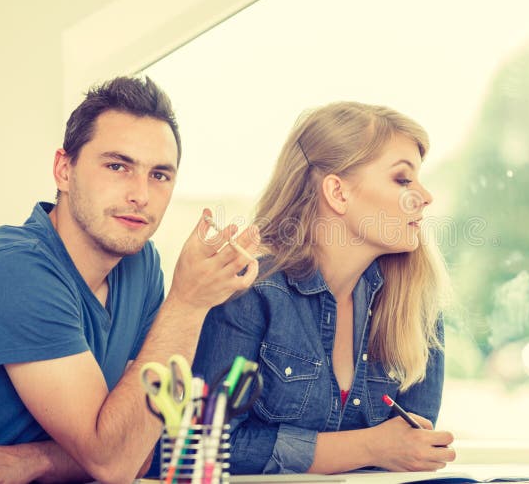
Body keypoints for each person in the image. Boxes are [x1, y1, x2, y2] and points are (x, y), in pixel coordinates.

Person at [0, 76, 259, 484]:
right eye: (117, 166)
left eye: (160, 176)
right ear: (63, 169)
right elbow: (115, 462)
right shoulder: (14, 270)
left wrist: (35, 459)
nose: (141, 195)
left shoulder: (139, 263)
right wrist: (187, 303)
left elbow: (141, 449)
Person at [193, 101, 456, 474]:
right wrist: (368, 447)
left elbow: (412, 447)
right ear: (338, 193)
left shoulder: (415, 304)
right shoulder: (250, 291)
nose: (425, 196)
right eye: (402, 179)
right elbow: (206, 444)